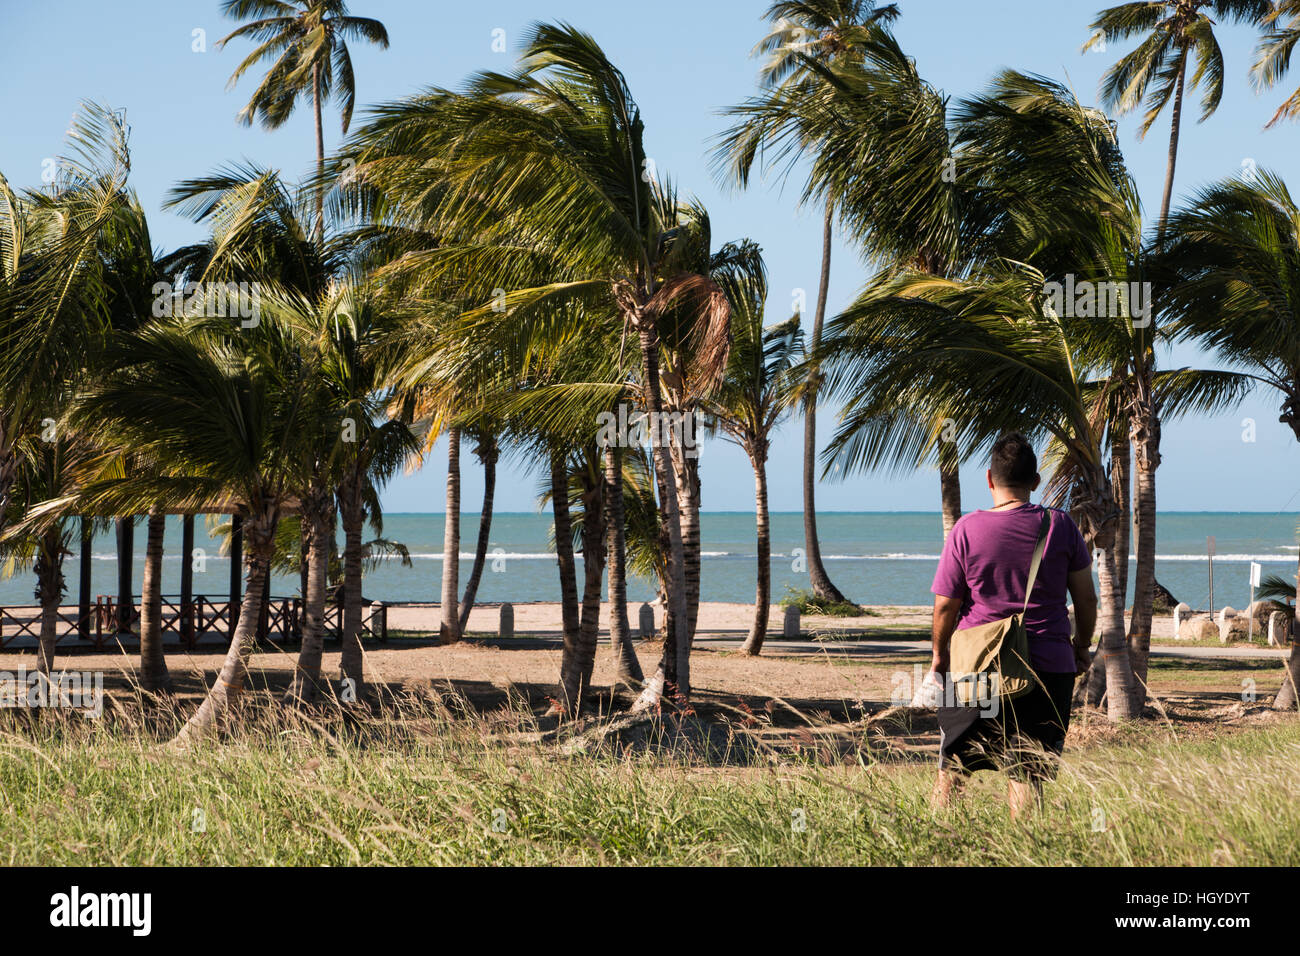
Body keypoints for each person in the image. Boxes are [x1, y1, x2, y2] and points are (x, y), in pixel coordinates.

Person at [928, 433, 1097, 819]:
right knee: (1028, 769)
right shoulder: (1061, 526)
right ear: (1035, 481)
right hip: (1047, 664)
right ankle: (1027, 851)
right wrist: (1081, 646)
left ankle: (937, 844)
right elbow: (1086, 600)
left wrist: (940, 655)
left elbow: (944, 608)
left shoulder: (966, 530)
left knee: (953, 767)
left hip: (976, 666)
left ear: (989, 478)